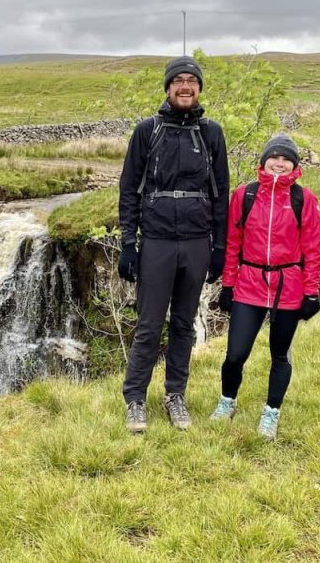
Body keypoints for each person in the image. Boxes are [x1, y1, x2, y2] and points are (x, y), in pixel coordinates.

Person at [118, 55, 229, 433]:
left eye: (192, 81)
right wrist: (128, 245)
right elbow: (129, 190)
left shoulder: (211, 133)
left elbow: (221, 193)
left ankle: (175, 395)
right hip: (157, 241)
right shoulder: (147, 131)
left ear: (199, 88)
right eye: (178, 80)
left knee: (183, 323)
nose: (185, 86)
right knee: (149, 324)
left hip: (197, 242)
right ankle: (134, 399)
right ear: (168, 88)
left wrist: (219, 249)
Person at [209, 134, 320, 439]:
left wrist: (311, 292)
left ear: (295, 166)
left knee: (280, 354)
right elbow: (233, 242)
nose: (280, 163)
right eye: (275, 157)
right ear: (263, 161)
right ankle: (227, 402)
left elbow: (313, 249)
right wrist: (228, 285)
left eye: (287, 159)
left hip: (289, 286)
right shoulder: (244, 195)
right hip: (250, 283)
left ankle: (271, 412)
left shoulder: (304, 199)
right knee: (235, 353)